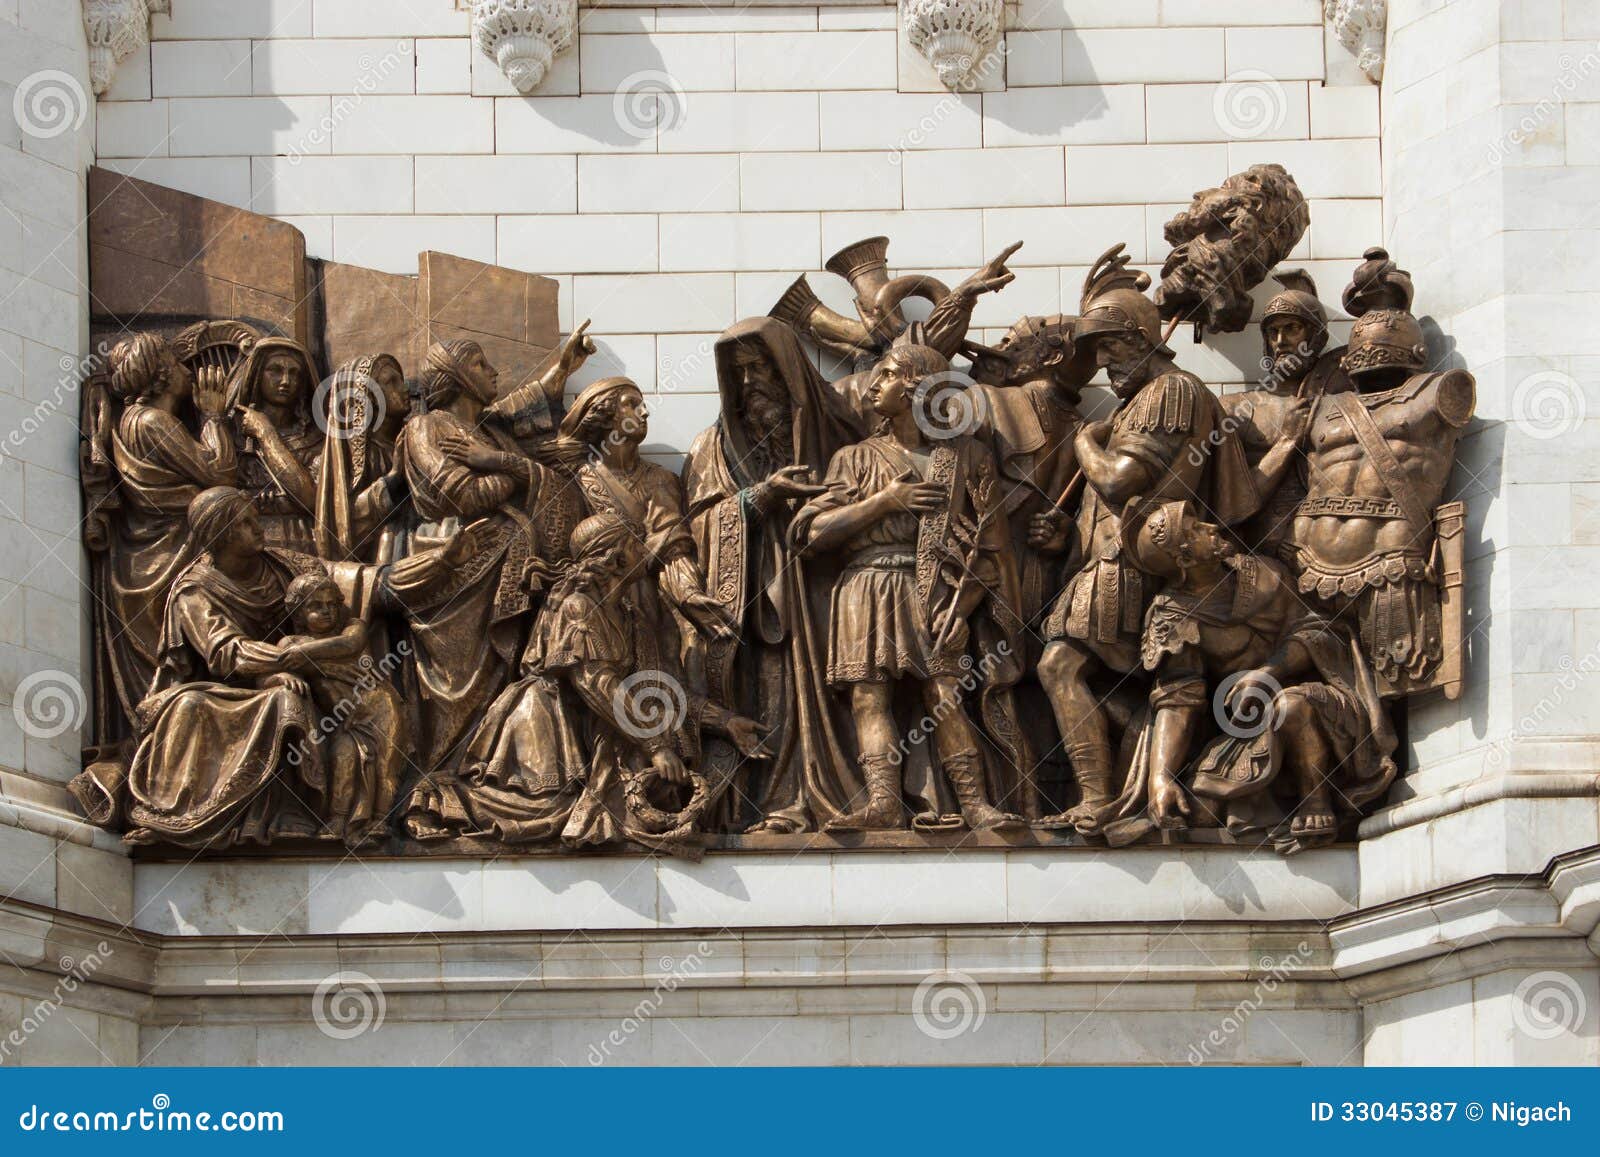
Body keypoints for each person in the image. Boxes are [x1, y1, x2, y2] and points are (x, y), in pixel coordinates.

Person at [1029, 246, 1264, 833]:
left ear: (1141, 338)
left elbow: (1119, 480)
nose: (1103, 362)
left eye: (1110, 346)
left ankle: (1097, 796)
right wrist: (1067, 534)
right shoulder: (1141, 401)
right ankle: (1143, 760)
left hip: (1133, 563)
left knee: (1060, 666)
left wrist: (1084, 443)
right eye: (1096, 351)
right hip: (1108, 558)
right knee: (1103, 676)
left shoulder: (1170, 392)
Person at [407, 514, 766, 855]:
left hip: (601, 728)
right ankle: (437, 800)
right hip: (547, 719)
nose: (645, 550)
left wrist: (725, 722)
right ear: (616, 557)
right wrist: (656, 745)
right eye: (636, 542)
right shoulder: (577, 607)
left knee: (589, 805)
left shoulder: (632, 618)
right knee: (545, 811)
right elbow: (596, 682)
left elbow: (660, 688)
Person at [794, 343, 1025, 832]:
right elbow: (812, 534)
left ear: (918, 386)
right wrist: (885, 501)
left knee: (945, 694)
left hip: (938, 592)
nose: (875, 385)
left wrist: (962, 609)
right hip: (866, 584)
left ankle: (975, 802)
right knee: (868, 697)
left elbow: (991, 548)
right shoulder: (854, 458)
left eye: (888, 374)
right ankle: (883, 802)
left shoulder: (967, 456)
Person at [1109, 498, 1397, 853]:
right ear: (1184, 559)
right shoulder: (1170, 615)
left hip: (1321, 704)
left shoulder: (1265, 572)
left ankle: (1316, 799)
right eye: (1196, 530)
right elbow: (1178, 698)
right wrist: (1160, 778)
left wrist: (1268, 672)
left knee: (1291, 705)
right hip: (1247, 725)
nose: (1212, 527)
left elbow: (1317, 630)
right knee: (1200, 813)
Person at [681, 317, 859, 833]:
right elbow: (700, 523)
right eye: (739, 373)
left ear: (786, 368)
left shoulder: (838, 426)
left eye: (760, 367)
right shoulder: (713, 446)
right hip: (761, 593)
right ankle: (781, 800)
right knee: (774, 690)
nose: (750, 382)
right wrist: (763, 497)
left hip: (836, 586)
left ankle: (861, 793)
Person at [395, 339, 577, 810]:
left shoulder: (489, 432)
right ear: (456, 376)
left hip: (506, 569)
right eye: (480, 363)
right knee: (456, 681)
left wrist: (563, 368)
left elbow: (523, 411)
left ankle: (484, 770)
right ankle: (437, 777)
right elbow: (461, 495)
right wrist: (513, 475)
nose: (493, 370)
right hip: (457, 563)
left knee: (500, 674)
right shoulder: (426, 426)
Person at [89, 332, 236, 741]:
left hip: (143, 556)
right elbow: (221, 473)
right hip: (170, 551)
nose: (186, 370)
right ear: (160, 376)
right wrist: (213, 416)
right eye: (174, 362)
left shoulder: (131, 421)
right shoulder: (153, 422)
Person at [280, 570, 408, 847]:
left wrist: (305, 656)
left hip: (380, 707)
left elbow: (350, 644)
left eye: (332, 604)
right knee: (343, 756)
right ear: (298, 613)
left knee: (385, 766)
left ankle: (380, 819)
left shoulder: (352, 626)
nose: (326, 611)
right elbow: (268, 673)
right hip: (343, 718)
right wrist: (281, 676)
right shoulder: (290, 644)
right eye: (316, 606)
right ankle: (338, 820)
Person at [224, 336, 324, 555]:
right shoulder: (231, 436)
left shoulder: (316, 439)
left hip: (302, 543)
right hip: (242, 549)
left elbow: (309, 500)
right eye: (275, 370)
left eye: (294, 373)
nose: (286, 381)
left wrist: (265, 432)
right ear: (257, 374)